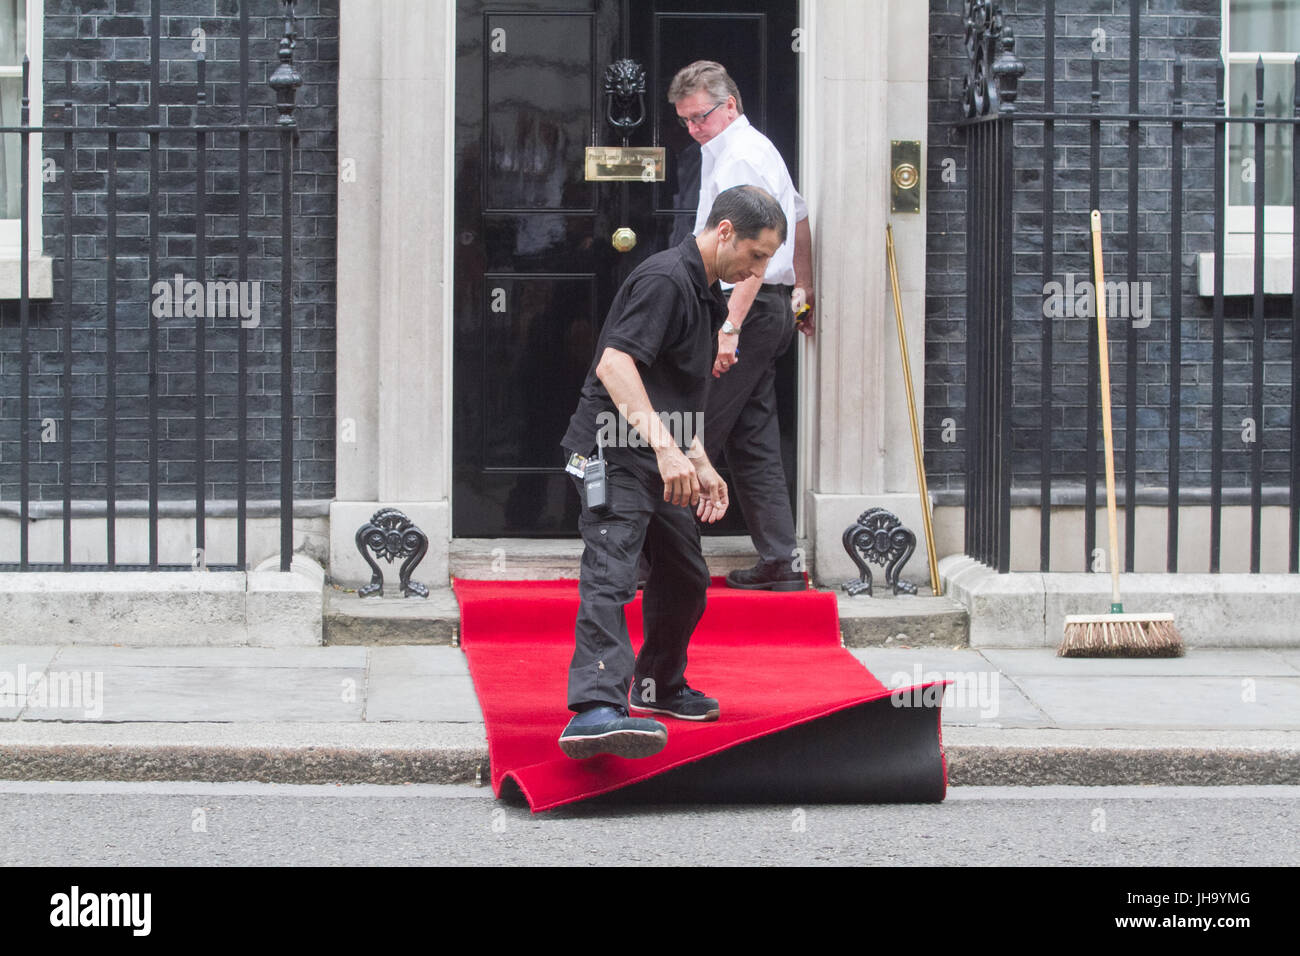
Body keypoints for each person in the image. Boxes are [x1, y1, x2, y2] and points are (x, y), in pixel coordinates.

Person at [557, 185, 788, 759]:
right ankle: (594, 709)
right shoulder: (665, 280)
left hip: (653, 454)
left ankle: (657, 685)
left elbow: (673, 388)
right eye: (757, 256)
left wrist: (702, 462)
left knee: (685, 573)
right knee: (612, 567)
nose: (757, 271)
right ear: (726, 231)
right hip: (608, 449)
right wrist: (667, 452)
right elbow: (616, 365)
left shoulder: (707, 292)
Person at [668, 60, 815, 592]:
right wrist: (804, 290)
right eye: (684, 120)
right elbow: (796, 217)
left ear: (730, 105)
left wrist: (728, 327)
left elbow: (751, 251)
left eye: (700, 117)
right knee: (752, 439)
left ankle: (665, 562)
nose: (692, 128)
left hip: (743, 309)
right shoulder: (749, 150)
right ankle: (780, 561)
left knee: (691, 434)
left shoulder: (741, 156)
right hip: (767, 308)